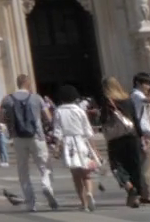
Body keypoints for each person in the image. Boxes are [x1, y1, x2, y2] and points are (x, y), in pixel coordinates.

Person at [0, 75, 57, 212]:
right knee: (44, 165)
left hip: (18, 138)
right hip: (37, 136)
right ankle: (46, 185)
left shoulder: (7, 99)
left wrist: (11, 126)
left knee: (23, 170)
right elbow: (48, 118)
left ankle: (31, 203)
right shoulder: (36, 98)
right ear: (28, 83)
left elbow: (1, 119)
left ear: (18, 83)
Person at [103, 76, 150, 207]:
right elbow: (135, 119)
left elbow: (103, 120)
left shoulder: (107, 101)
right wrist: (142, 137)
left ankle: (130, 188)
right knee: (134, 166)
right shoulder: (128, 100)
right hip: (132, 136)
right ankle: (136, 197)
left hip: (116, 139)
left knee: (116, 166)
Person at [54, 84, 100, 212]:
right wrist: (95, 149)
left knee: (75, 175)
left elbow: (57, 131)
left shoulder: (58, 111)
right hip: (81, 141)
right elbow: (88, 131)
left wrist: (57, 147)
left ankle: (83, 202)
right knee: (86, 173)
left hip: (69, 145)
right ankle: (90, 193)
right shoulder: (80, 111)